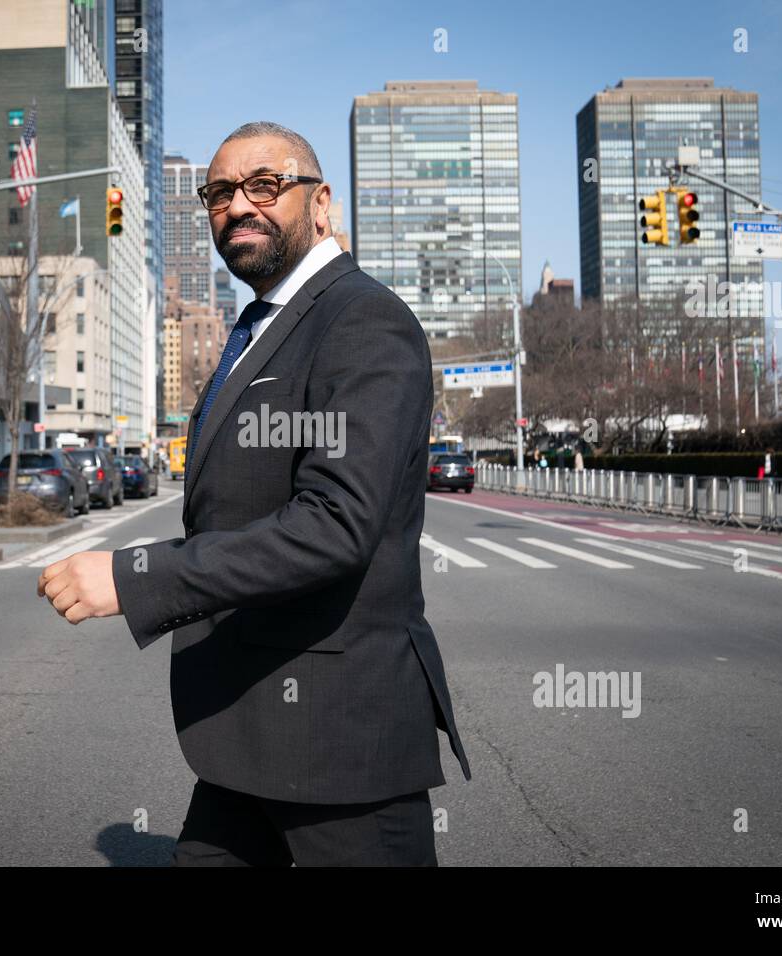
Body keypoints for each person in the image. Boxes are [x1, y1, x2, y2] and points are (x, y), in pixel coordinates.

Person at [38, 121, 470, 866]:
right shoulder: (261, 328)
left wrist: (133, 575)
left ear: (321, 202)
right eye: (218, 194)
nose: (237, 206)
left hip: (341, 746)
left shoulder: (362, 320)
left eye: (265, 185)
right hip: (247, 735)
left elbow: (336, 524)